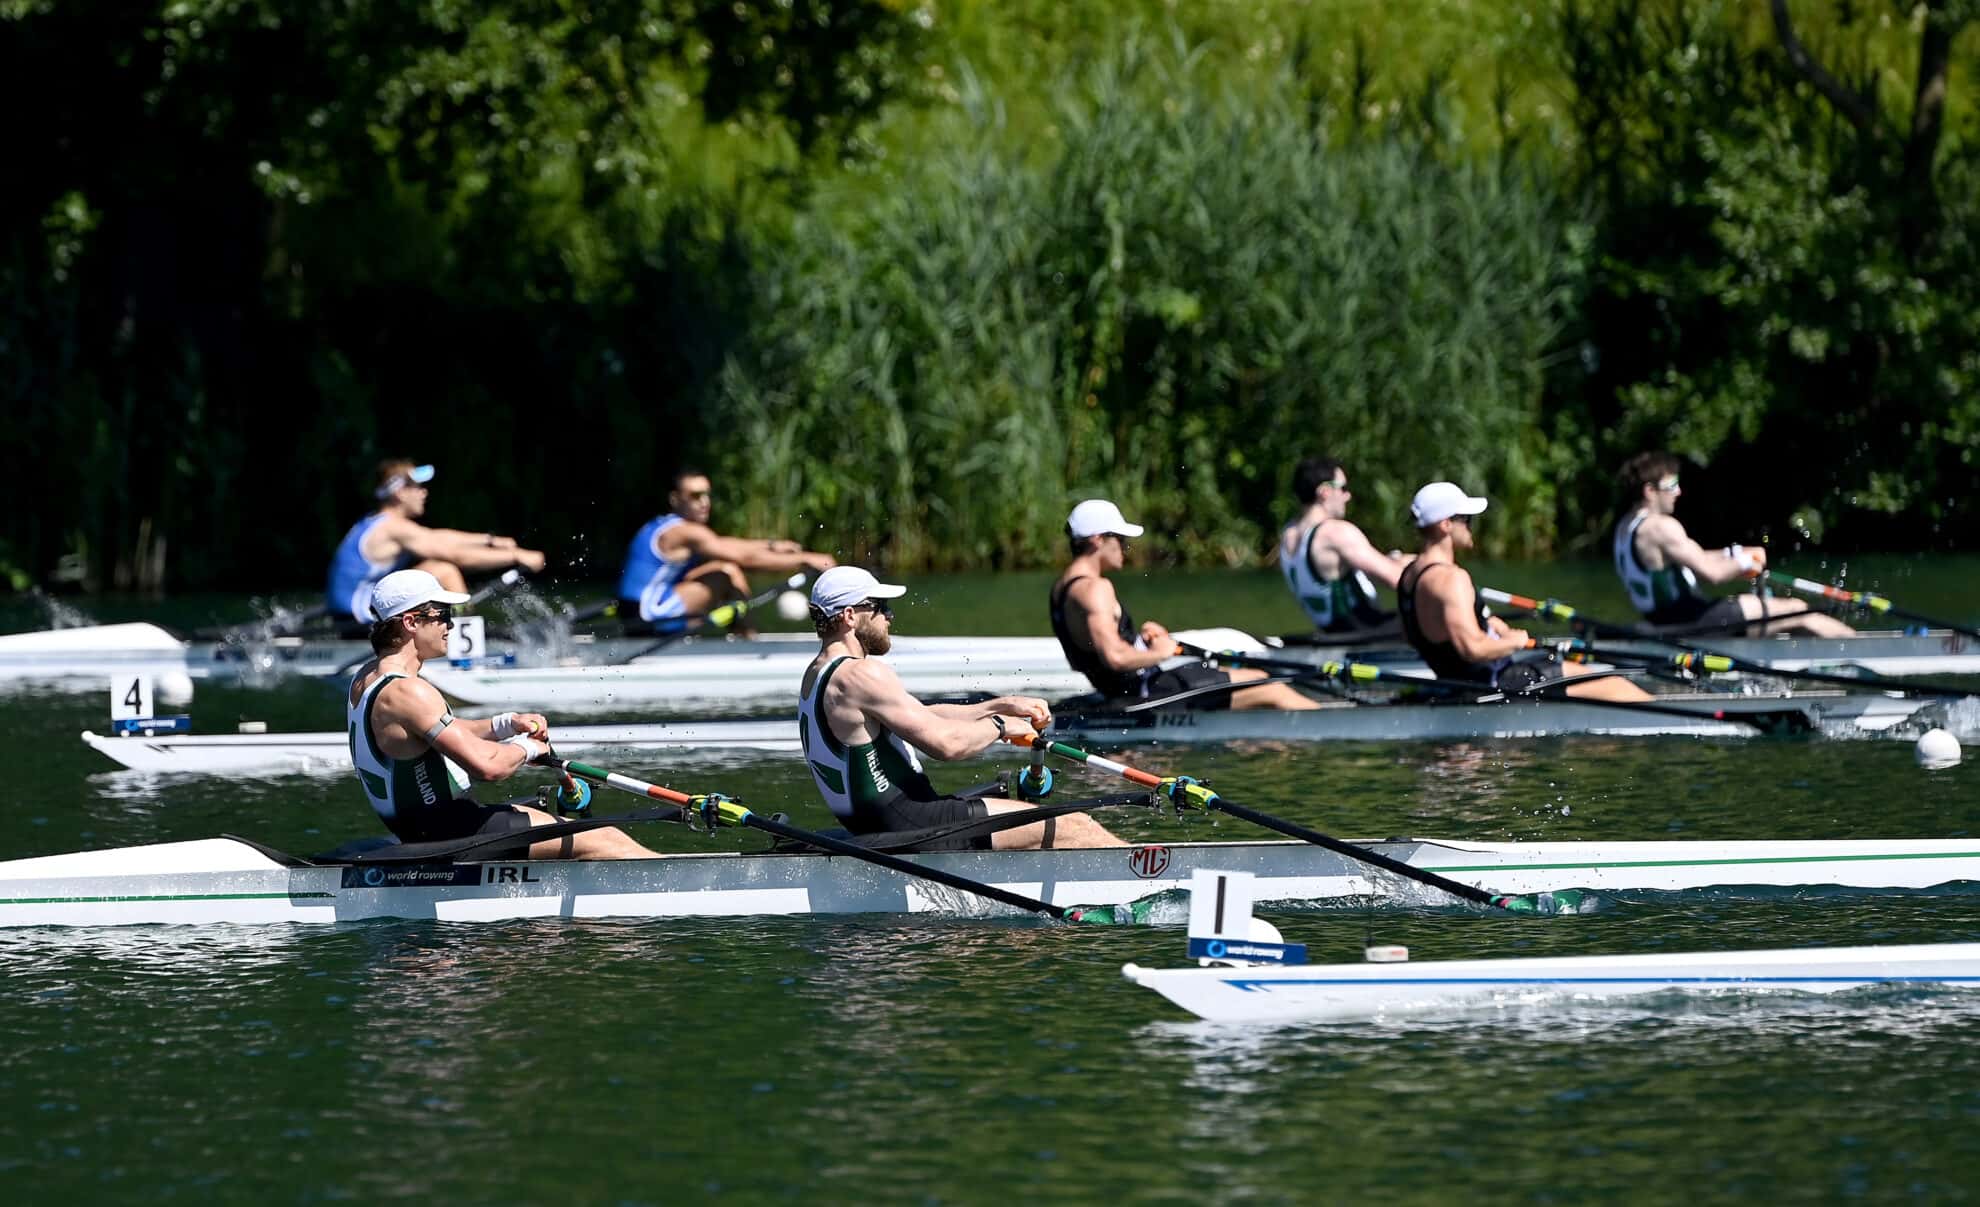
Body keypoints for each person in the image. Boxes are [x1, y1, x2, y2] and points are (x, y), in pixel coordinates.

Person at [799, 566, 1123, 850]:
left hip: (883, 820)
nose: (889, 616)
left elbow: (924, 716)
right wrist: (999, 726)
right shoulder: (860, 674)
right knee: (1074, 825)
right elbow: (946, 746)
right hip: (911, 820)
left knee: (1040, 821)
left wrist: (999, 705)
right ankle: (1149, 878)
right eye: (880, 607)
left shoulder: (819, 673)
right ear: (849, 616)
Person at [347, 569, 659, 858]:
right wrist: (529, 748)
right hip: (455, 829)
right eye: (442, 615)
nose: (450, 625)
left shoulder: (367, 677)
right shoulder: (408, 692)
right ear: (411, 622)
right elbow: (487, 768)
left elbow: (441, 731)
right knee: (607, 839)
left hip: (427, 827)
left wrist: (505, 724)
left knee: (566, 828)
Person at [1050, 500, 1320, 711]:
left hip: (1127, 687)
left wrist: (1141, 642)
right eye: (1120, 539)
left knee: (1251, 675)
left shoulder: (1061, 588)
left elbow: (1097, 654)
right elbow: (1116, 657)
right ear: (1098, 539)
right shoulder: (1096, 588)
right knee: (1270, 687)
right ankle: (1332, 727)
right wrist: (1161, 651)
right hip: (1146, 691)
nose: (1125, 547)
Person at [1398, 482, 1654, 702]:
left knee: (1587, 673)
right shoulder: (1451, 578)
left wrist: (1489, 626)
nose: (1470, 527)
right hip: (1494, 682)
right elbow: (1472, 649)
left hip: (1458, 680)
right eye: (1466, 520)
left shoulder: (1410, 576)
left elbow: (1427, 635)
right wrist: (1514, 642)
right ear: (1445, 525)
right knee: (1616, 685)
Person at [1614, 453, 1853, 636]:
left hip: (1665, 619)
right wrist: (1746, 562)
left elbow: (1693, 557)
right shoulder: (1661, 526)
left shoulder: (1626, 527)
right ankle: (1863, 652)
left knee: (1777, 612)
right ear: (1649, 491)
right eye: (1671, 486)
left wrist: (1736, 553)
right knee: (1798, 609)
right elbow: (1712, 573)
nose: (1679, 491)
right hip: (1692, 619)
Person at [618, 468, 837, 635]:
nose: (704, 502)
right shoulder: (685, 532)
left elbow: (729, 544)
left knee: (723, 569)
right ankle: (749, 642)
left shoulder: (665, 525)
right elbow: (744, 558)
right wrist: (806, 559)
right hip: (648, 615)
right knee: (725, 575)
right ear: (675, 499)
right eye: (695, 496)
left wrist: (771, 545)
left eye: (706, 495)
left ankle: (744, 638)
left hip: (634, 611)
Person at [326, 460, 545, 626]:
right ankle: (462, 642)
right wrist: (517, 556)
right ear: (399, 492)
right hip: (357, 617)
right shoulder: (393, 528)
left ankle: (458, 636)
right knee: (444, 570)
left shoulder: (378, 522)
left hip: (350, 611)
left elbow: (439, 537)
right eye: (417, 487)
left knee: (435, 570)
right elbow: (454, 554)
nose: (424, 492)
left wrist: (489, 540)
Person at [1278, 457, 1410, 637]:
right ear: (1324, 491)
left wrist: (1396, 560)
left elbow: (1336, 573)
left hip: (1330, 634)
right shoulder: (1335, 533)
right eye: (1343, 488)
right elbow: (1398, 580)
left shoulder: (1288, 534)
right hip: (1365, 632)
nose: (1347, 496)